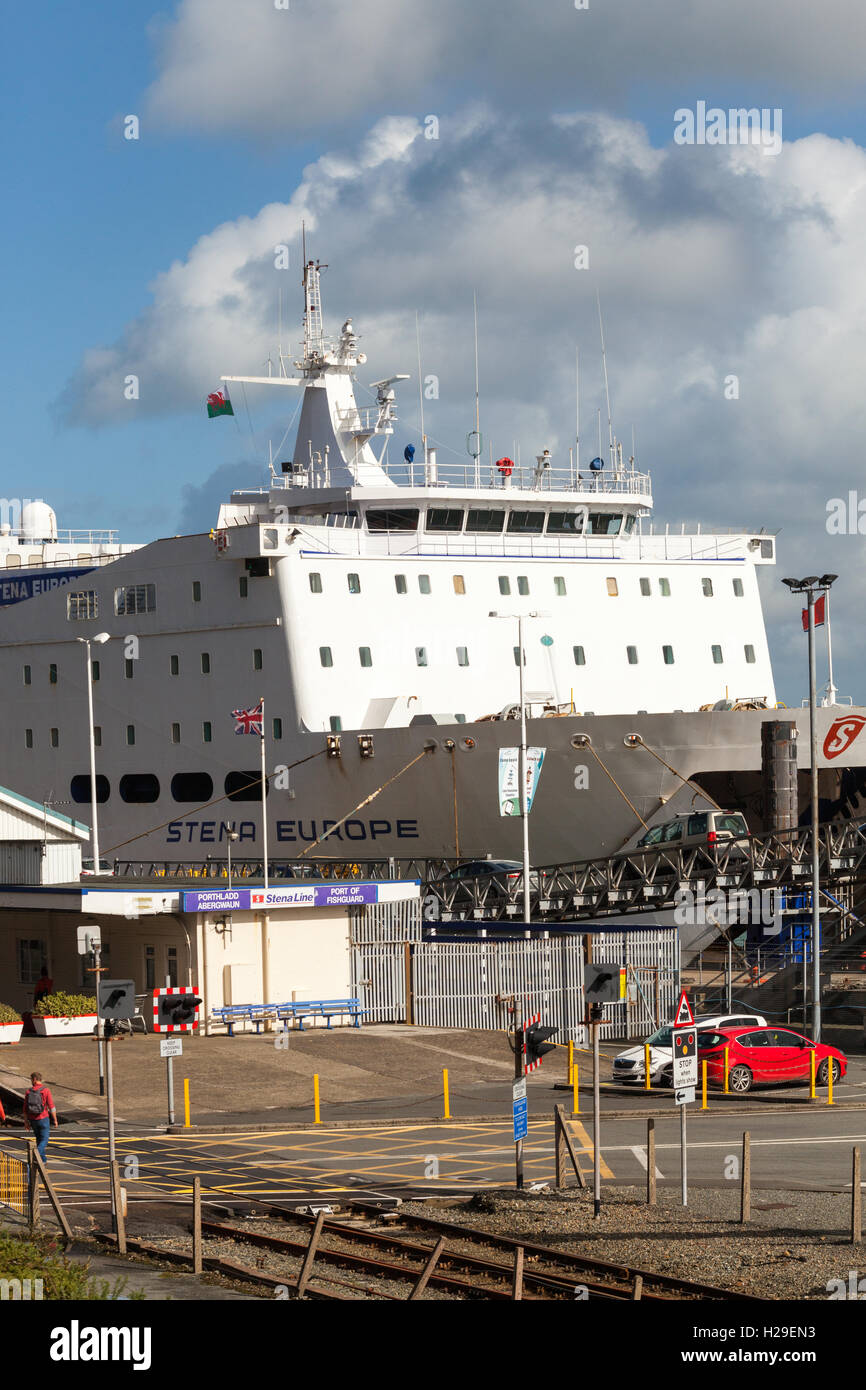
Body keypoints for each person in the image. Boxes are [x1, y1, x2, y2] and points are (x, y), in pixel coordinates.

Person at [23, 1072, 57, 1161]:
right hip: (43, 1118)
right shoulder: (46, 1090)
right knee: (45, 1139)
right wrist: (55, 1120)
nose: (31, 1081)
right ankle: (37, 1153)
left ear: (34, 1079)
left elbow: (25, 1109)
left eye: (31, 1079)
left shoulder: (28, 1091)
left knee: (39, 1139)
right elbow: (51, 1107)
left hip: (32, 1119)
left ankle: (43, 1160)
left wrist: (26, 1122)